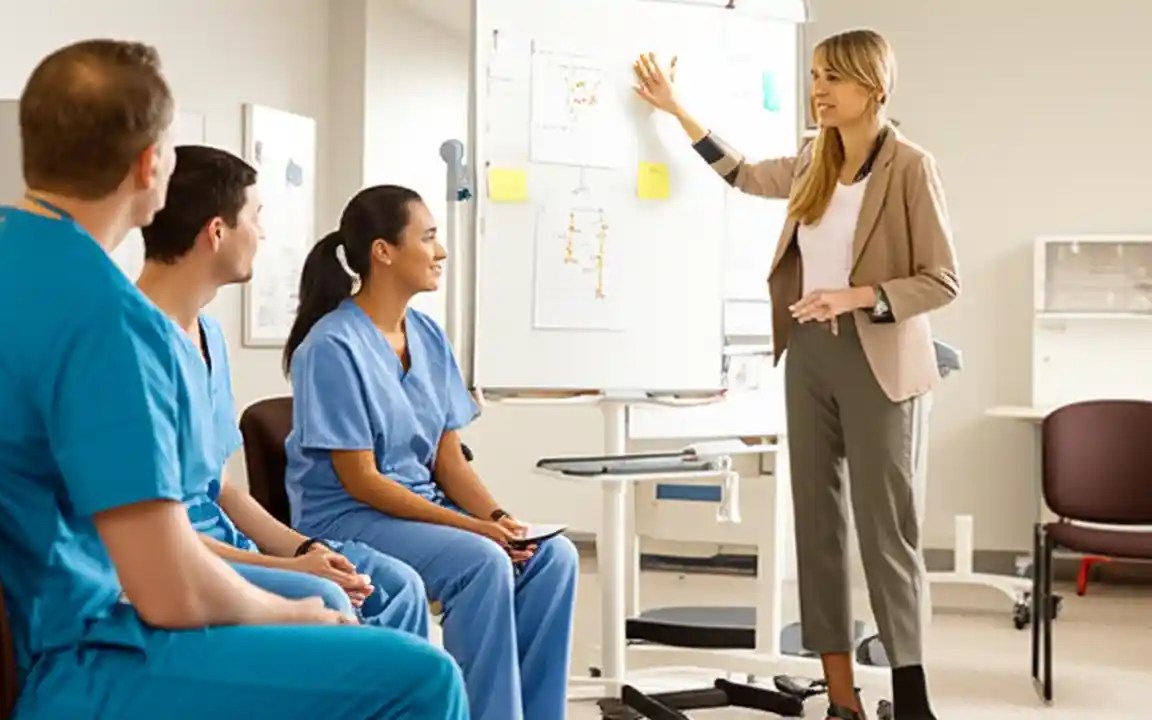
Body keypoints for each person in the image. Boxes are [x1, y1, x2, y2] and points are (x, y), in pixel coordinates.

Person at [0, 40, 466, 720]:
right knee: (422, 678)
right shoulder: (107, 317)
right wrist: (290, 611)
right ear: (150, 164)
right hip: (58, 662)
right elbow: (168, 591)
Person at [632, 29, 958, 720]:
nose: (818, 89)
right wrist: (676, 109)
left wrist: (857, 295)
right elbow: (746, 174)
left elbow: (941, 280)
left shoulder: (909, 167)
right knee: (817, 525)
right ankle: (842, 699)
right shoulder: (815, 158)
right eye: (814, 75)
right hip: (808, 355)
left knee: (885, 530)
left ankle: (912, 698)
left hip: (880, 356)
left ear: (873, 85)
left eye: (833, 77)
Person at [280, 185, 579, 720]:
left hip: (420, 507)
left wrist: (498, 518)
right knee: (483, 562)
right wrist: (474, 531)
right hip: (351, 516)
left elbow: (448, 459)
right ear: (383, 251)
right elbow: (363, 482)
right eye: (430, 237)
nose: (440, 252)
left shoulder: (426, 333)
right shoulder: (330, 347)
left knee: (552, 557)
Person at [137, 143, 429, 637]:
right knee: (331, 595)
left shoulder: (208, 337)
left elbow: (222, 489)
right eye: (256, 216)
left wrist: (304, 549)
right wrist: (291, 573)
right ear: (217, 231)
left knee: (396, 584)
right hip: (186, 565)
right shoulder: (136, 347)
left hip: (234, 548)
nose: (263, 232)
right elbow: (156, 534)